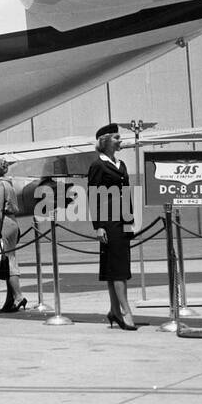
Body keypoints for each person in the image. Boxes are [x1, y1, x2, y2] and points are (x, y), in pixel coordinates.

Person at [88, 124, 137, 329]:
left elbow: (126, 195)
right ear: (106, 141)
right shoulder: (98, 166)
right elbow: (93, 196)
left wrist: (130, 220)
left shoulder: (121, 164)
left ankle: (115, 311)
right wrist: (98, 226)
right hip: (108, 222)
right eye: (117, 137)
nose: (120, 140)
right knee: (118, 270)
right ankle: (126, 312)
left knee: (114, 268)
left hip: (122, 221)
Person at [0, 157, 27, 312]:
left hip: (4, 223)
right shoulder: (9, 183)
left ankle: (18, 297)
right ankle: (10, 300)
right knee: (8, 259)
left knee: (9, 262)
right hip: (12, 222)